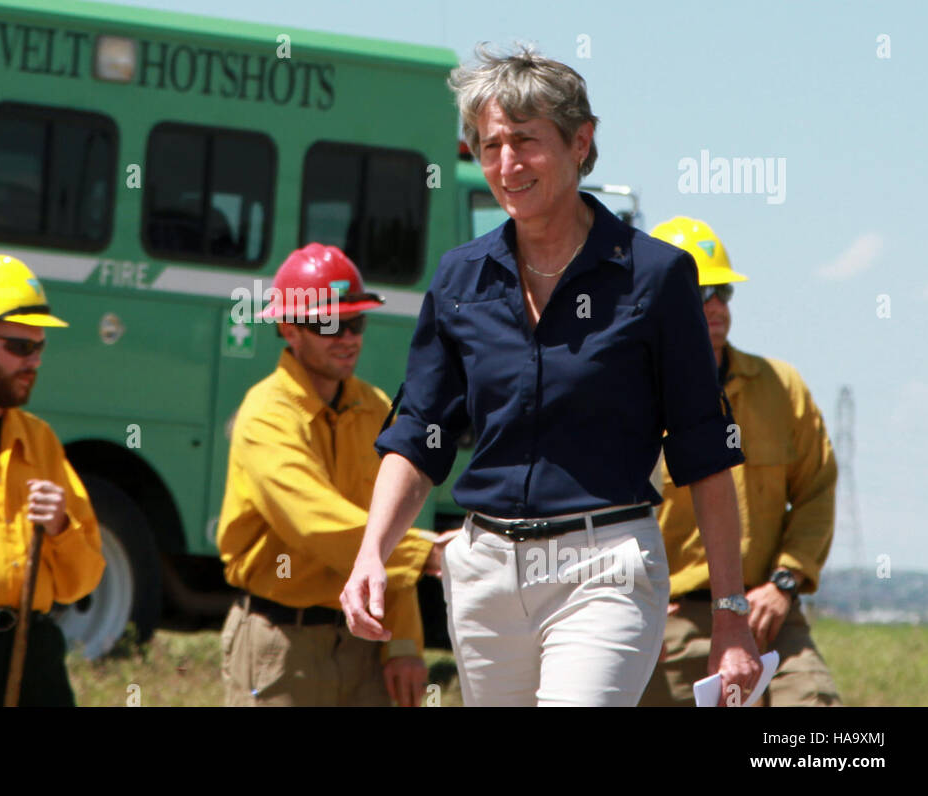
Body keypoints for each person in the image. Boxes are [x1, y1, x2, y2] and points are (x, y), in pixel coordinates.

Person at [340, 45, 762, 706]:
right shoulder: (459, 277)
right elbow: (420, 433)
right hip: (484, 575)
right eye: (489, 145)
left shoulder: (655, 277)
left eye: (526, 142)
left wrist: (730, 612)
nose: (506, 165)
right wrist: (372, 552)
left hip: (607, 569)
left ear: (581, 141)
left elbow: (704, 449)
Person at [217, 243, 451, 707]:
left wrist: (402, 644)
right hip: (281, 645)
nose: (347, 337)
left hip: (365, 641)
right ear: (289, 329)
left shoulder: (376, 407)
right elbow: (314, 523)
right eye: (328, 324)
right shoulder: (265, 415)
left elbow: (390, 522)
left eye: (356, 322)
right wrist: (425, 553)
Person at [640, 217, 841, 706]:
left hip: (767, 613)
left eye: (724, 291)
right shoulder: (627, 397)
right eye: (701, 291)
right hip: (672, 620)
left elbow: (817, 490)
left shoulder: (781, 387)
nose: (716, 306)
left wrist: (785, 583)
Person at [0, 254, 104, 707]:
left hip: (32, 652)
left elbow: (83, 580)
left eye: (39, 347)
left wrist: (61, 529)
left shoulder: (40, 441)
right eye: (20, 348)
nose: (34, 362)